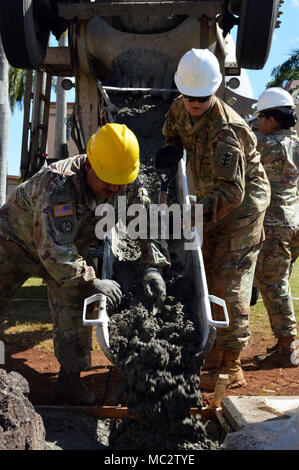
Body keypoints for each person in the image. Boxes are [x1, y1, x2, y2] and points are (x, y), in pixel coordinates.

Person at [0, 123, 170, 405]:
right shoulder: (57, 186)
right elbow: (55, 251)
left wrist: (152, 266)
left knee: (76, 299)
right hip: (12, 244)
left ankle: (70, 379)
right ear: (89, 165)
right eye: (107, 180)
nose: (114, 188)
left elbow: (145, 223)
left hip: (65, 251)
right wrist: (92, 280)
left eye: (121, 182)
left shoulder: (125, 182)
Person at [154, 48, 270, 391]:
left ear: (214, 91)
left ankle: (230, 365)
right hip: (208, 199)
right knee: (201, 272)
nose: (194, 104)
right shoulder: (179, 107)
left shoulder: (228, 131)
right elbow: (172, 130)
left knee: (227, 282)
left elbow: (233, 193)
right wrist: (171, 147)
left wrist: (193, 212)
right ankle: (207, 350)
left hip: (243, 206)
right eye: (189, 97)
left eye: (202, 99)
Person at [253, 87, 299, 368]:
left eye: (260, 117)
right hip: (294, 223)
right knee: (278, 280)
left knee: (273, 284)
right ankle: (284, 342)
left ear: (271, 120)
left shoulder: (267, 145)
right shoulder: (295, 143)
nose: (258, 122)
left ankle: (287, 345)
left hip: (275, 226)